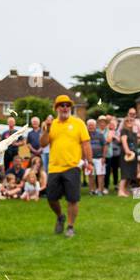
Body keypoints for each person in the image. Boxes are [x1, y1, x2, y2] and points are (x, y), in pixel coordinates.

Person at [41, 93, 92, 237]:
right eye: (62, 105)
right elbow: (43, 143)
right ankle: (60, 216)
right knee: (51, 198)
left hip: (73, 166)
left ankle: (70, 226)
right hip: (54, 167)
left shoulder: (78, 123)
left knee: (73, 199)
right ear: (56, 108)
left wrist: (89, 162)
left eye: (67, 105)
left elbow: (86, 143)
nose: (65, 107)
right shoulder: (51, 125)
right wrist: (47, 129)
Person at [118, 115, 140, 197]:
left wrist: (137, 124)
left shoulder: (133, 133)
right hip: (126, 155)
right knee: (125, 173)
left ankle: (125, 190)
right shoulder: (124, 131)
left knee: (130, 174)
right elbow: (123, 141)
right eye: (127, 121)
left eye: (131, 121)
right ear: (124, 123)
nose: (130, 122)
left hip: (134, 155)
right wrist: (127, 150)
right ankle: (120, 191)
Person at [87, 117, 107, 195]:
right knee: (90, 174)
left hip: (99, 157)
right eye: (89, 125)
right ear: (87, 126)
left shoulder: (100, 135)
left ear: (95, 126)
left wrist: (104, 157)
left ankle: (100, 190)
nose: (91, 127)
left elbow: (105, 146)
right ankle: (92, 190)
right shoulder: (85, 134)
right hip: (89, 158)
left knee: (100, 174)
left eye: (92, 125)